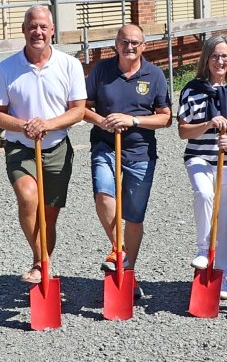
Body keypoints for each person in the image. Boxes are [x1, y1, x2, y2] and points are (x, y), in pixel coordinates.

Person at [0, 5, 87, 285]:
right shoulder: (6, 69)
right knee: (28, 197)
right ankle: (40, 262)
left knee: (50, 215)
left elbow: (78, 110)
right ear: (23, 30)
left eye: (43, 26)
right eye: (32, 26)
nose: (38, 32)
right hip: (20, 147)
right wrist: (25, 126)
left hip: (57, 147)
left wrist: (47, 125)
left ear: (52, 30)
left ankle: (42, 264)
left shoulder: (70, 65)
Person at [83, 23, 172, 298]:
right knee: (103, 194)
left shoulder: (154, 75)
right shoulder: (101, 71)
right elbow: (81, 108)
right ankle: (119, 250)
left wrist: (133, 120)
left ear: (143, 45)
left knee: (134, 216)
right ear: (116, 44)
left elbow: (166, 117)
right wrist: (103, 122)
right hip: (105, 145)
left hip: (140, 153)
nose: (129, 47)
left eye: (135, 42)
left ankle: (128, 272)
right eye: (124, 42)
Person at [178, 34, 227, 301]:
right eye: (215, 56)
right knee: (203, 194)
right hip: (199, 156)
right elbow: (183, 131)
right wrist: (209, 124)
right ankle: (203, 251)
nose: (220, 61)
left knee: (225, 218)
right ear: (206, 59)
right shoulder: (192, 89)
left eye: (225, 56)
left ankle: (222, 274)